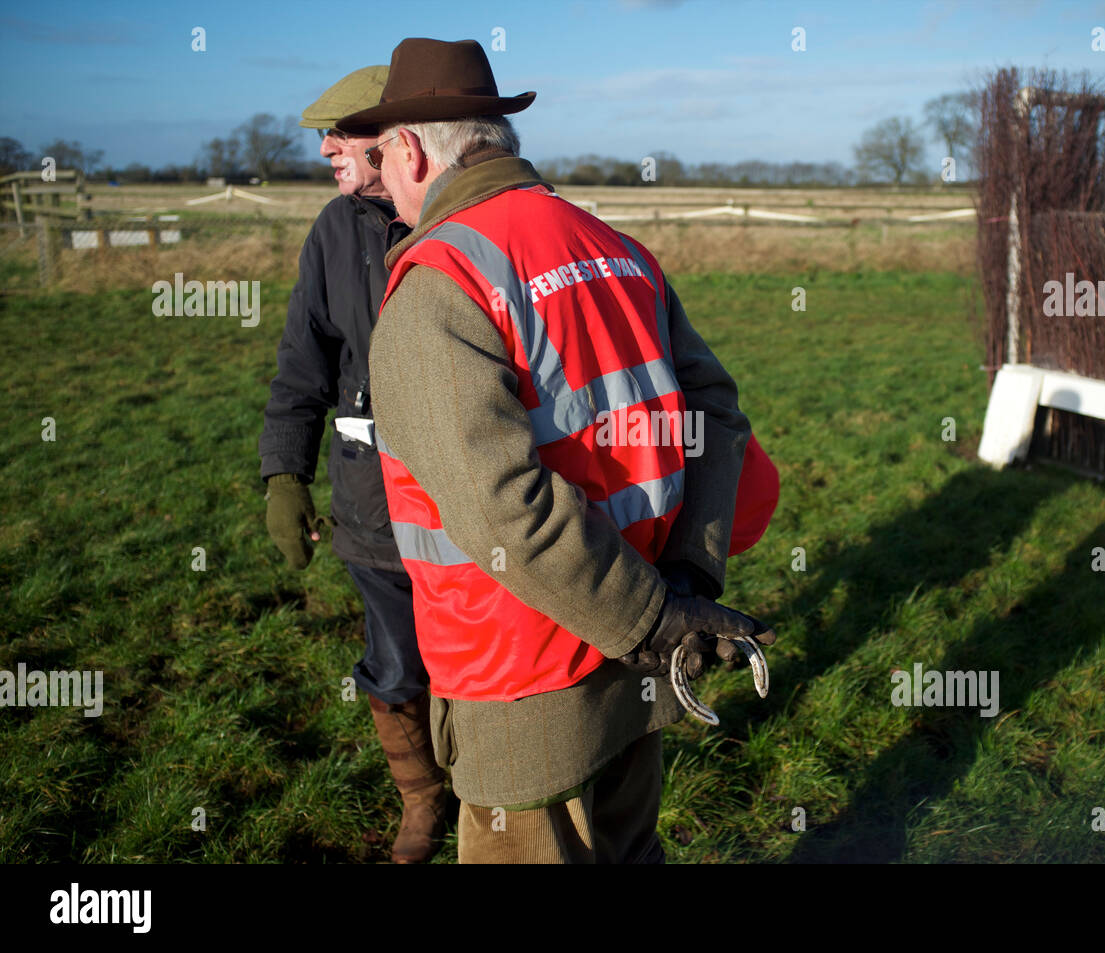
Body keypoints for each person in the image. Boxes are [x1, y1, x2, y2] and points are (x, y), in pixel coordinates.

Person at [336, 38, 776, 864]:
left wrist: (651, 617)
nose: (381, 173)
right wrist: (684, 583)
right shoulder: (613, 248)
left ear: (415, 150)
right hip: (643, 662)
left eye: (381, 152)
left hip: (523, 682)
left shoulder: (438, 284)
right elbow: (714, 412)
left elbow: (505, 504)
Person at [258, 65, 447, 863]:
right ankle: (423, 799)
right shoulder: (333, 231)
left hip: (470, 497)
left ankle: (500, 795)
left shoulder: (458, 225)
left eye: (343, 134)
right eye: (324, 138)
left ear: (397, 138)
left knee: (481, 658)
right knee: (396, 660)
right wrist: (284, 474)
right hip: (370, 498)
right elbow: (304, 363)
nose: (328, 150)